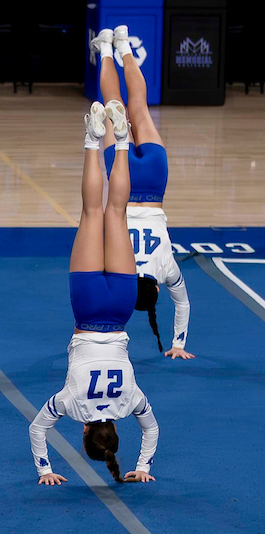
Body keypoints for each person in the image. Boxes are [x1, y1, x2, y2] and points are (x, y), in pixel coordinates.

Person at [29, 98, 159, 487]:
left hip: (119, 309)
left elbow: (151, 430)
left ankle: (121, 139)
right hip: (87, 312)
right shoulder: (71, 405)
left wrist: (144, 466)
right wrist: (46, 470)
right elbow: (37, 430)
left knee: (116, 212)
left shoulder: (130, 400)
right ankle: (92, 137)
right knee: (92, 213)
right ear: (84, 432)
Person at [94, 26, 193, 359]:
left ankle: (124, 44)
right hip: (124, 184)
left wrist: (179, 343)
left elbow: (183, 301)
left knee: (139, 106)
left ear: (154, 288)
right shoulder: (116, 266)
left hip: (154, 179)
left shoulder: (165, 269)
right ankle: (106, 49)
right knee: (113, 106)